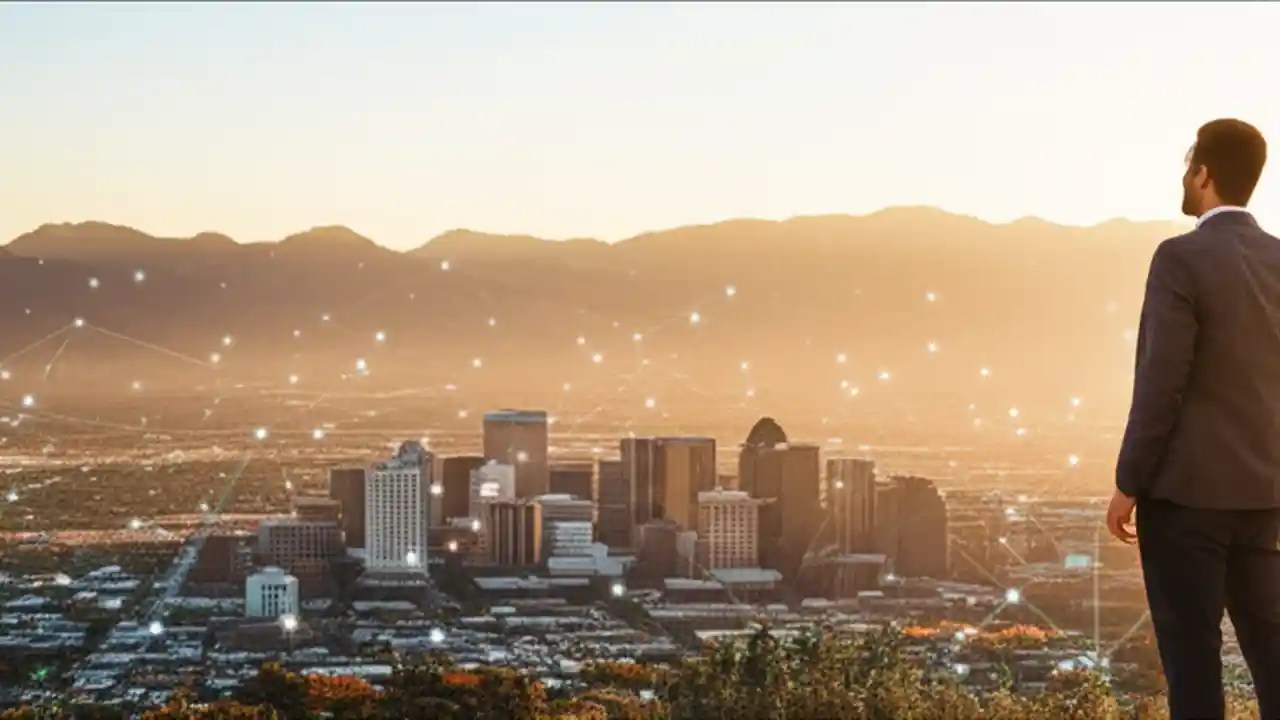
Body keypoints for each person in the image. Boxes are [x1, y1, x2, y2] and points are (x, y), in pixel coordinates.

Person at [1108, 118, 1276, 720]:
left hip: (1185, 501)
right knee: (1273, 658)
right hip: (1265, 498)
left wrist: (1128, 482)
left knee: (1193, 662)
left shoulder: (1180, 258)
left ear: (1202, 174)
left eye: (1188, 166)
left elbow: (1161, 383)